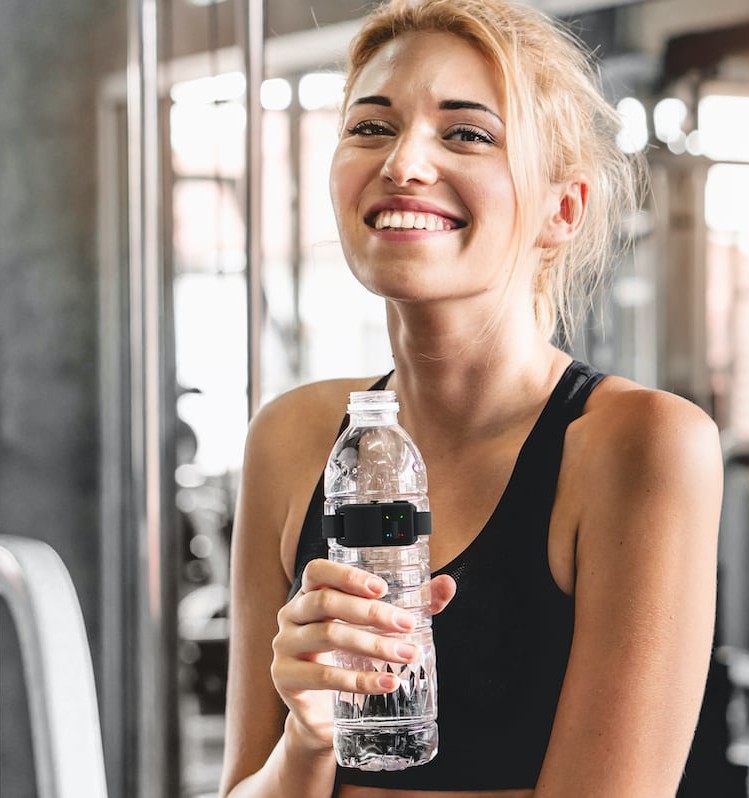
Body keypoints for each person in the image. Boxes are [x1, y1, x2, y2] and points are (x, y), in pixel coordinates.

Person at [219, 0, 723, 796]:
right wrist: (309, 740)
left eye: (467, 133)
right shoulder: (292, 437)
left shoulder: (642, 444)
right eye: (372, 128)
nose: (403, 163)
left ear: (563, 209)